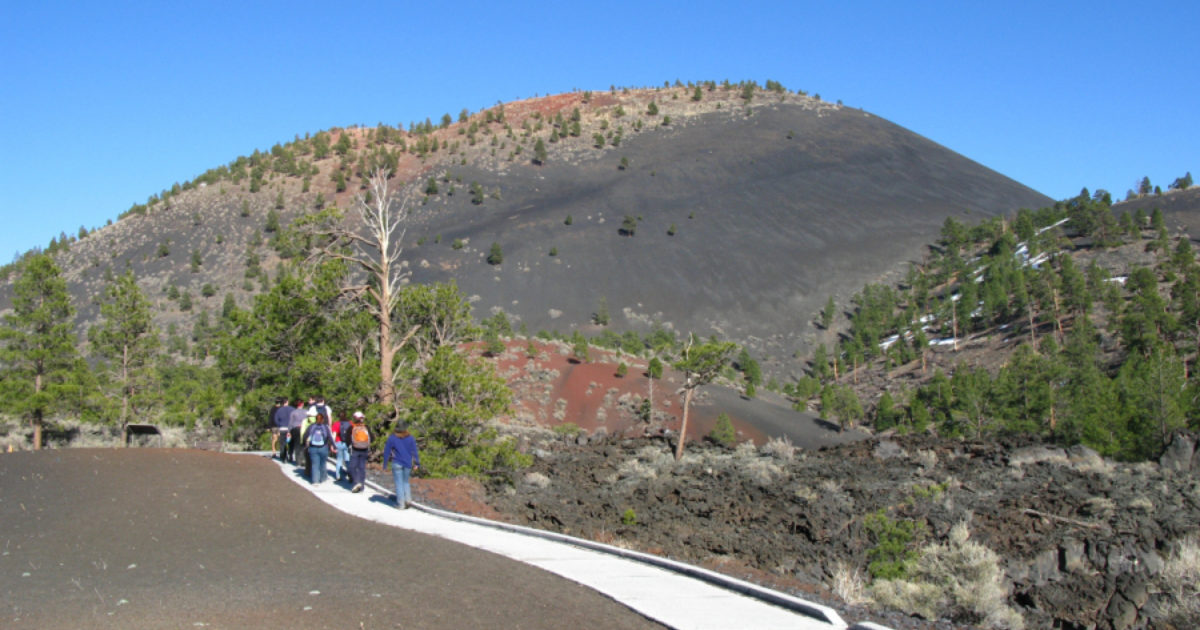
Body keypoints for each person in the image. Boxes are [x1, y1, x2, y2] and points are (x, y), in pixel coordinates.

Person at [382, 422, 420, 508]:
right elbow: (414, 451)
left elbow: (387, 452)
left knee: (399, 483)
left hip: (397, 462)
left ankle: (401, 504)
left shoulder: (392, 438)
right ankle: (408, 500)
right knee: (405, 482)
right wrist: (417, 463)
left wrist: (385, 464)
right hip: (407, 463)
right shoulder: (410, 438)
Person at [303, 411, 333, 484]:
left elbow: (305, 436)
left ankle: (315, 480)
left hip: (313, 448)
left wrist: (305, 444)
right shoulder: (325, 427)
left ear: (315, 419)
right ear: (323, 419)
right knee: (322, 463)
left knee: (314, 464)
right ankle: (323, 478)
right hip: (323, 447)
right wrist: (333, 446)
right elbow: (330, 437)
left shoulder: (311, 427)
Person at [347, 411, 370, 493]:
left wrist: (349, 445)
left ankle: (356, 482)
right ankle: (362, 486)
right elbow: (372, 438)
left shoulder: (352, 427)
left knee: (352, 467)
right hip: (364, 449)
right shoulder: (366, 427)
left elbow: (347, 439)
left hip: (355, 449)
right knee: (362, 468)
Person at [331, 411, 351, 482]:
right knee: (347, 460)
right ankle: (350, 475)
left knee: (339, 460)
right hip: (347, 443)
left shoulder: (336, 424)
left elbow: (334, 435)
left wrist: (332, 445)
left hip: (338, 442)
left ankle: (338, 475)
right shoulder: (350, 423)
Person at [287, 398, 307, 464]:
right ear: (302, 404)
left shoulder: (293, 412)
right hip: (304, 429)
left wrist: (289, 431)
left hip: (295, 429)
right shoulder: (306, 412)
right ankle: (303, 459)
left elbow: (290, 423)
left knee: (297, 444)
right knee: (304, 444)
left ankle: (298, 461)